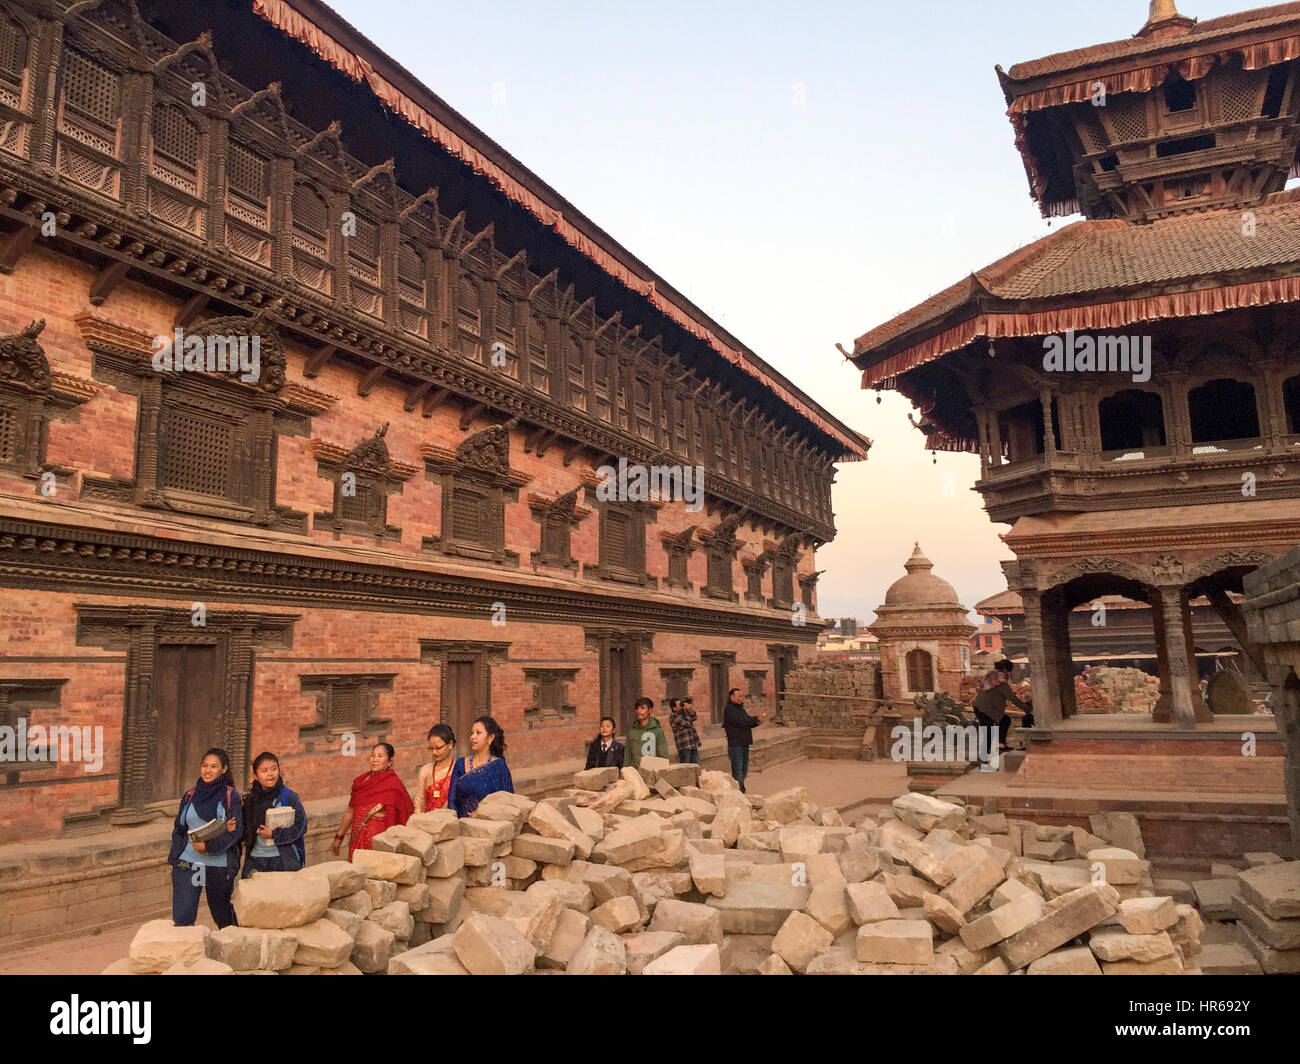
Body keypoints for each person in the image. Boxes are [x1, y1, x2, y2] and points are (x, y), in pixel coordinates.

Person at [168, 747, 243, 928]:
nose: (207, 771)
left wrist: (208, 847)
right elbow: (179, 827)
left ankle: (234, 950)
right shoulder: (190, 796)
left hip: (217, 866)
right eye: (204, 766)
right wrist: (177, 854)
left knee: (222, 915)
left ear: (224, 769)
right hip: (189, 862)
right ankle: (185, 953)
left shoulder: (230, 797)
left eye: (213, 767)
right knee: (183, 916)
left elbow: (236, 832)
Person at [332, 743, 414, 859]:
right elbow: (350, 812)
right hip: (358, 838)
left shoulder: (394, 785)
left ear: (390, 762)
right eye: (372, 755)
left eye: (380, 756)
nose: (375, 760)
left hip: (378, 841)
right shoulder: (362, 783)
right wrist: (338, 838)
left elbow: (405, 813)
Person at [241, 751, 307, 877]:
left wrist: (274, 834)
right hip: (256, 860)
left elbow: (302, 825)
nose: (270, 774)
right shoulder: (250, 800)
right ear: (255, 775)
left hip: (283, 860)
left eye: (274, 769)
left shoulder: (288, 796)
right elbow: (243, 830)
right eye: (264, 770)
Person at [449, 716, 514, 817]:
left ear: (490, 738)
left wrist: (482, 814)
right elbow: (452, 799)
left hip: (490, 826)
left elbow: (508, 800)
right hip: (461, 826)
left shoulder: (498, 766)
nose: (472, 737)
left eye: (478, 733)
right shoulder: (461, 764)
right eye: (472, 733)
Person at [973, 659, 1031, 763]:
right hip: (986, 709)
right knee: (988, 732)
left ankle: (1000, 745)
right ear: (1004, 669)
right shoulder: (1000, 681)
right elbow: (1012, 697)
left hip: (980, 707)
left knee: (1005, 720)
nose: (1009, 674)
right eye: (1009, 671)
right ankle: (983, 757)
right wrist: (1027, 710)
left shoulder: (991, 675)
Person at [722, 687, 763, 792]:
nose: (741, 698)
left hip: (744, 742)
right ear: (732, 697)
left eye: (741, 696)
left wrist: (756, 722)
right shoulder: (729, 709)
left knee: (744, 769)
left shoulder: (740, 708)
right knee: (737, 770)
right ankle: (738, 791)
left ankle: (740, 789)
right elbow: (741, 722)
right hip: (736, 744)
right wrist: (755, 719)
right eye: (739, 696)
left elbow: (747, 720)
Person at [415, 724, 457, 812]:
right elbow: (419, 804)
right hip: (428, 821)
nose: (434, 752)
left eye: (438, 748)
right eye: (431, 748)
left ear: (450, 744)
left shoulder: (458, 768)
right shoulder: (425, 771)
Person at [624, 697, 668, 768]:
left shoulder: (657, 731)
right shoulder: (632, 731)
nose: (639, 711)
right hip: (635, 772)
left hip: (652, 771)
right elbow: (627, 754)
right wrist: (626, 769)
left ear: (649, 710)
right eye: (637, 708)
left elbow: (663, 754)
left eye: (642, 708)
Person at [669, 697, 701, 764]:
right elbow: (688, 723)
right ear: (674, 708)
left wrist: (689, 710)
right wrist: (688, 710)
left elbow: (694, 717)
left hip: (692, 744)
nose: (681, 706)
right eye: (679, 705)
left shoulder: (684, 713)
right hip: (684, 747)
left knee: (696, 767)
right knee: (685, 769)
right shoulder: (673, 717)